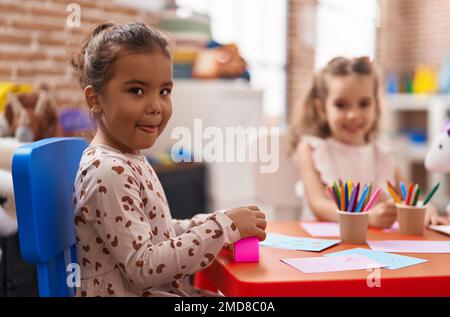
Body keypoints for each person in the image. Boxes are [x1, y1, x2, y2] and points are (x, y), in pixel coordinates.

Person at [71, 21, 267, 297]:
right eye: (137, 91)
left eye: (164, 91)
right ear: (95, 100)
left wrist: (219, 224)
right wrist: (223, 228)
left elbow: (158, 232)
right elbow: (144, 267)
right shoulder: (108, 171)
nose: (155, 107)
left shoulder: (128, 159)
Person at [289, 56, 449, 228]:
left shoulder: (384, 154)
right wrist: (366, 218)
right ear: (321, 109)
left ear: (376, 105)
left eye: (364, 104)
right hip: (322, 245)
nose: (353, 115)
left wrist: (424, 208)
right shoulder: (311, 149)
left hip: (377, 248)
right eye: (341, 105)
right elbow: (318, 205)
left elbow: (409, 198)